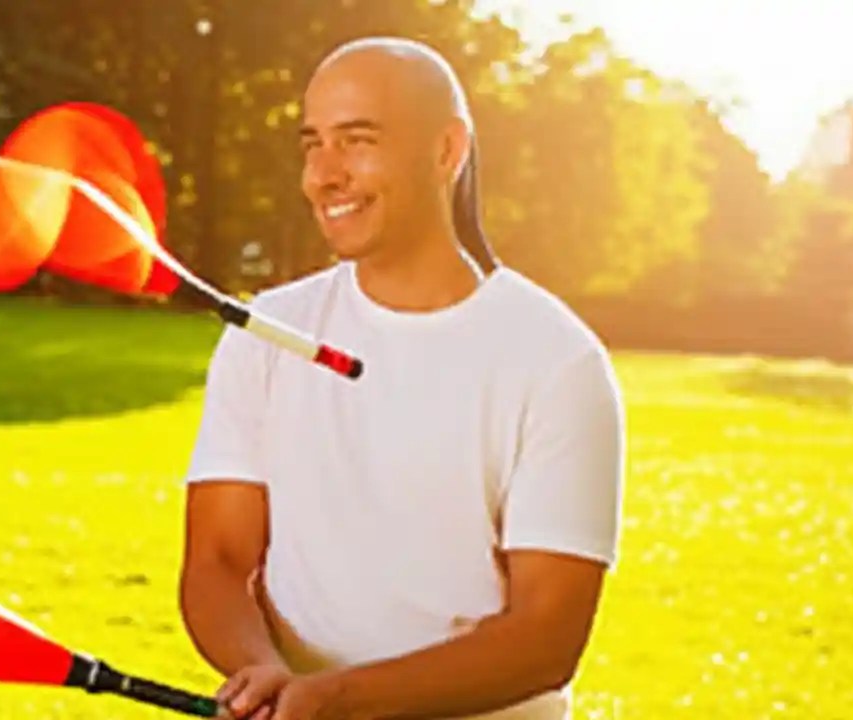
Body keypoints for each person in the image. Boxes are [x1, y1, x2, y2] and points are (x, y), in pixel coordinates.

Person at [178, 36, 625, 720]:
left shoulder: (558, 362)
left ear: (447, 151)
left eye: (357, 140)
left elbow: (548, 637)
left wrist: (334, 700)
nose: (322, 175)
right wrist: (264, 675)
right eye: (311, 144)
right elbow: (216, 559)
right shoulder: (266, 333)